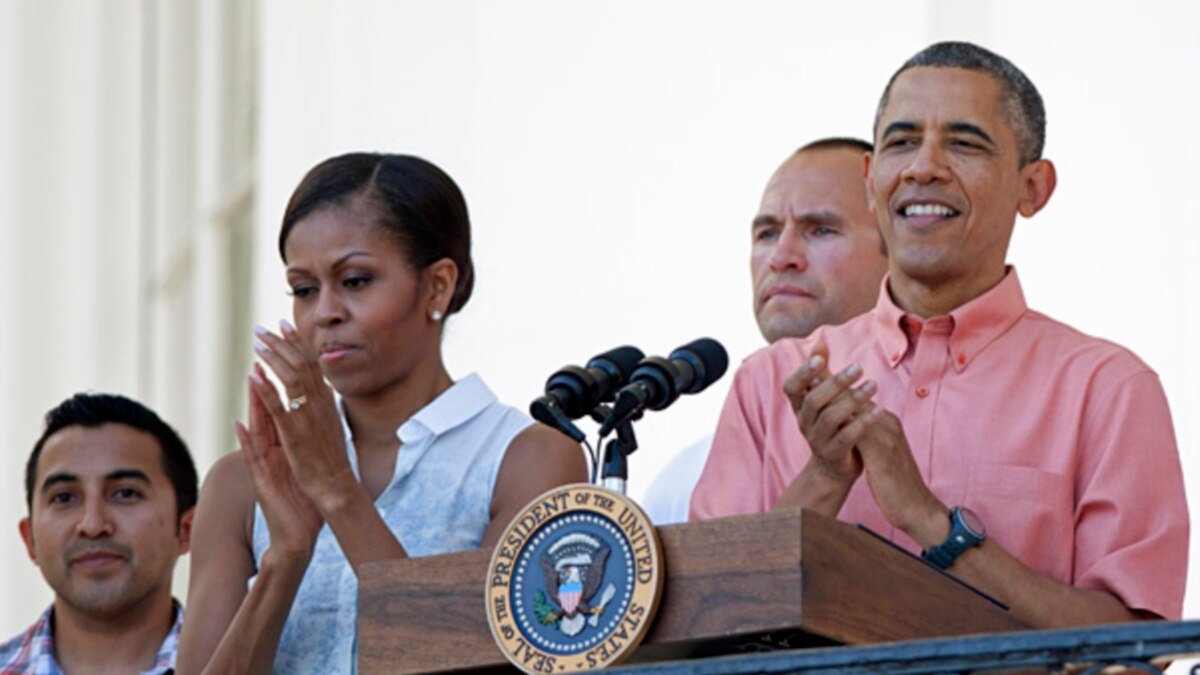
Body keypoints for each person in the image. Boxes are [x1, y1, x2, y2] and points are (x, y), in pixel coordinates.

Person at [690, 42, 1188, 627]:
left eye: (964, 143)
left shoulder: (1106, 388)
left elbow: (1133, 651)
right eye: (901, 142)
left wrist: (932, 523)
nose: (923, 167)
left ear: (1034, 188)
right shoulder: (770, 381)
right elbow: (707, 622)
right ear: (873, 180)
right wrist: (825, 479)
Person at [176, 153, 586, 674]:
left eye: (355, 281)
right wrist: (285, 557)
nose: (325, 312)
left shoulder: (526, 459)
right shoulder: (242, 483)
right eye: (304, 289)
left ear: (437, 286)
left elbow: (478, 664)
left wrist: (337, 491)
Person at [641, 138, 888, 524]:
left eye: (821, 230)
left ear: (900, 249)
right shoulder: (679, 482)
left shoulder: (943, 416)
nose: (780, 258)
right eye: (767, 233)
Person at [2, 393, 198, 674]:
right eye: (64, 497)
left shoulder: (248, 666)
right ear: (30, 539)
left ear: (187, 529)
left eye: (126, 493)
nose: (92, 525)